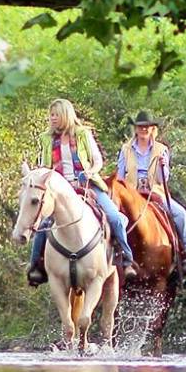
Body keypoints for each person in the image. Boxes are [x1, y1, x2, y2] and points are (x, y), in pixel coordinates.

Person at [28, 98, 137, 284]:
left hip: (86, 185)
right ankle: (36, 266)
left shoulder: (82, 134)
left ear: (65, 115)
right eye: (50, 115)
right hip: (59, 191)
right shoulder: (46, 139)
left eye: (55, 114)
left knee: (115, 217)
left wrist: (90, 172)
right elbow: (43, 165)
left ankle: (126, 258)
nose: (52, 118)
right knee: (43, 224)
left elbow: (97, 160)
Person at [113, 110, 186, 274]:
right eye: (140, 127)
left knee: (181, 215)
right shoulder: (126, 149)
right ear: (135, 129)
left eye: (147, 127)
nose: (144, 130)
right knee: (113, 218)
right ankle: (113, 254)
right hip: (132, 194)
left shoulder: (161, 149)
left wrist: (163, 166)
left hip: (155, 192)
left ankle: (185, 254)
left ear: (152, 129)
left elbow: (163, 178)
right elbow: (120, 176)